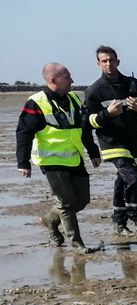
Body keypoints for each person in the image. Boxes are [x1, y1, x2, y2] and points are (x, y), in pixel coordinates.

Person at [15, 63, 101, 251]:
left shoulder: (74, 99)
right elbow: (24, 133)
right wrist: (23, 162)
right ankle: (77, 244)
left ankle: (49, 220)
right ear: (53, 80)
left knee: (81, 200)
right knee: (66, 203)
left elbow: (84, 129)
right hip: (51, 161)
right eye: (67, 77)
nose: (72, 81)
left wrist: (93, 152)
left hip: (74, 157)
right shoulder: (36, 102)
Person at [84, 45, 137, 241]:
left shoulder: (134, 84)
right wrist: (106, 114)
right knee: (134, 179)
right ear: (98, 64)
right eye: (104, 61)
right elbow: (87, 122)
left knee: (122, 180)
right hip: (111, 141)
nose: (108, 64)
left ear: (118, 61)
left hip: (134, 140)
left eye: (111, 60)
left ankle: (118, 222)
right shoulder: (94, 91)